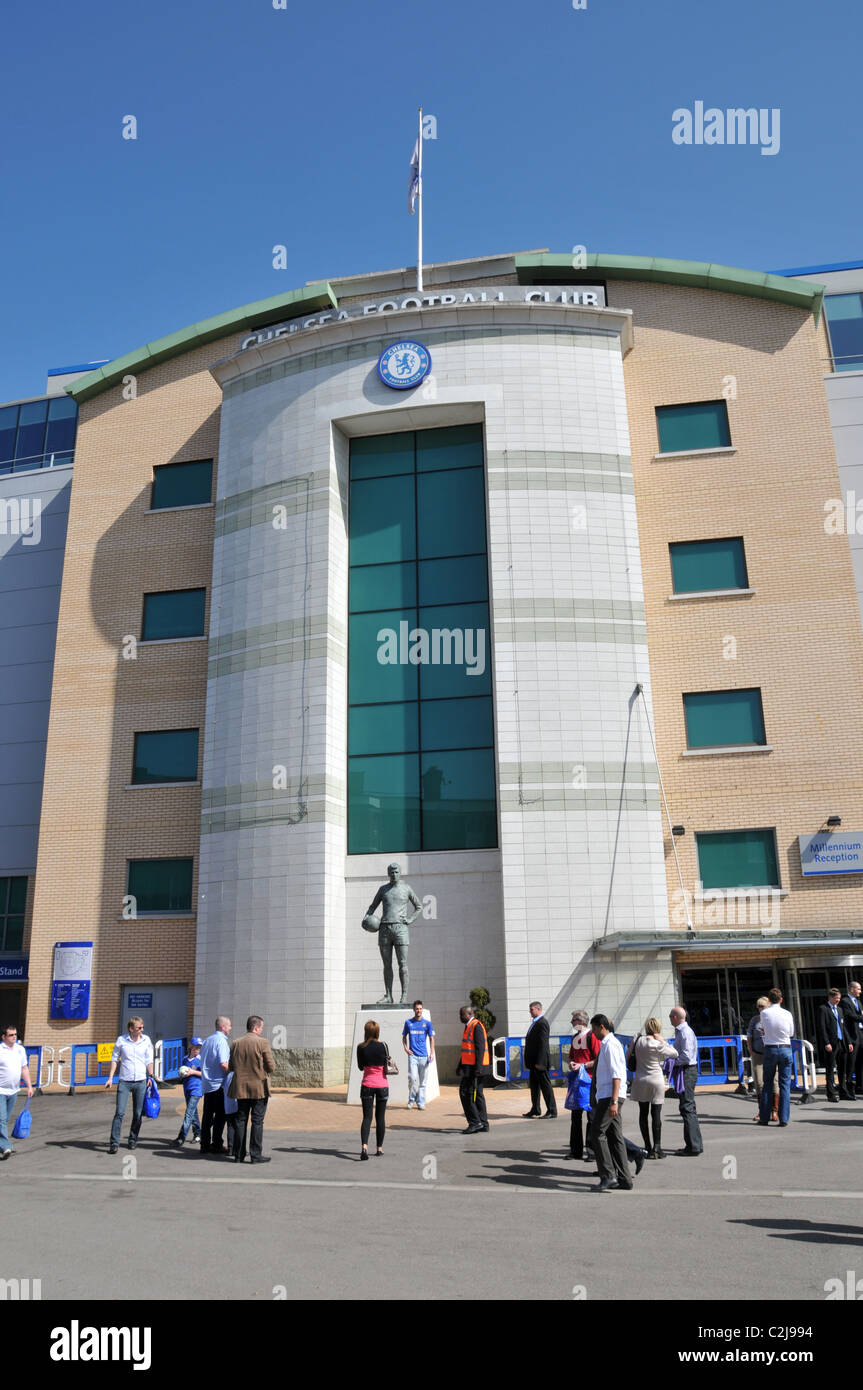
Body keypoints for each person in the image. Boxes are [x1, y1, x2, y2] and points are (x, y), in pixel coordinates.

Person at [365, 863, 422, 1005]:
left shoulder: (406, 889)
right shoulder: (383, 889)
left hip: (400, 928)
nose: (394, 874)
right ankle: (389, 995)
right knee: (387, 964)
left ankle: (404, 995)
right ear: (388, 873)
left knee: (402, 963)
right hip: (384, 928)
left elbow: (419, 906)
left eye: (396, 872)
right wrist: (366, 918)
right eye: (391, 872)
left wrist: (410, 919)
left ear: (400, 873)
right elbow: (373, 906)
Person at [588, 1014, 632, 1192]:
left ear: (601, 1026)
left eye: (594, 1029)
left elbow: (617, 1074)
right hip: (608, 1095)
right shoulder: (608, 1044)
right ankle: (624, 1178)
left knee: (597, 1132)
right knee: (615, 1137)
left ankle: (608, 1175)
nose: (593, 1033)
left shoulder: (609, 1044)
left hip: (610, 1096)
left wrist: (614, 1100)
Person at [228, 1015, 276, 1164]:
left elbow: (231, 1066)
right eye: (261, 1027)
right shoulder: (262, 1042)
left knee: (240, 1120)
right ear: (255, 1027)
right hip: (259, 1088)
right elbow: (271, 1066)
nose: (261, 1030)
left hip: (240, 1088)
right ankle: (255, 1155)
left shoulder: (236, 1043)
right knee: (257, 1121)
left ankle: (238, 1154)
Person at [629, 1017, 678, 1159]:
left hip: (640, 1079)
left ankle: (647, 1146)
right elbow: (674, 1053)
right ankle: (657, 1148)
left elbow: (628, 1055)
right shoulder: (657, 1043)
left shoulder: (637, 1040)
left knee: (643, 1113)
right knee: (656, 1114)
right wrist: (662, 1040)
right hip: (656, 1079)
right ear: (658, 1028)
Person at [104, 1016, 153, 1154]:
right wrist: (110, 1078)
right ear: (131, 1029)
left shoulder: (146, 1040)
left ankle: (133, 1139)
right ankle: (114, 1143)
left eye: (142, 1027)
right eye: (139, 1028)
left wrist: (151, 1076)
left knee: (138, 1114)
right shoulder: (121, 1040)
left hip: (141, 1081)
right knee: (119, 1112)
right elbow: (114, 1059)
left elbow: (149, 1059)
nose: (142, 1030)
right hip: (125, 1081)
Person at [757, 987, 795, 1127]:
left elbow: (763, 1029)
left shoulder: (765, 1013)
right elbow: (791, 1033)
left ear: (769, 999)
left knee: (767, 1083)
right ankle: (783, 1118)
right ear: (781, 999)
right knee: (784, 1084)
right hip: (785, 1047)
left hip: (771, 1048)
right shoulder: (787, 1013)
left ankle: (764, 1117)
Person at [668, 1006, 703, 1155]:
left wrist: (671, 1062)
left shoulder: (684, 1032)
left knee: (687, 1107)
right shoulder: (683, 1032)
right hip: (686, 1070)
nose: (669, 1018)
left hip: (687, 1070)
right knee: (688, 1107)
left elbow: (687, 1056)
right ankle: (694, 1144)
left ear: (676, 1017)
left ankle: (693, 1145)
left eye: (670, 1016)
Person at [566, 1009, 599, 1161]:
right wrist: (572, 1063)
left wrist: (583, 1066)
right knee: (576, 1115)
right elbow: (571, 1056)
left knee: (591, 1116)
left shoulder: (592, 1036)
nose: (572, 1022)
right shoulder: (575, 1037)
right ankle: (576, 1150)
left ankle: (592, 1151)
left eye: (573, 1020)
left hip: (590, 1080)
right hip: (578, 1080)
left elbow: (598, 1059)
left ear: (580, 1021)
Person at [356, 1019, 389, 1158]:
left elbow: (360, 1067)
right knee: (380, 1118)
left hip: (367, 1085)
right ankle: (379, 1148)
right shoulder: (383, 1046)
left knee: (367, 1117)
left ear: (366, 1031)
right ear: (377, 1032)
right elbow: (386, 1064)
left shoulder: (361, 1047)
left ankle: (364, 1147)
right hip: (382, 1085)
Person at [199, 1016, 231, 1156]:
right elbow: (224, 1064)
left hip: (207, 1084)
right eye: (229, 1026)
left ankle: (204, 1145)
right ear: (223, 1027)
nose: (230, 1028)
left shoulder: (207, 1040)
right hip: (218, 1084)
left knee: (207, 1116)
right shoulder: (221, 1042)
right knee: (220, 1116)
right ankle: (217, 1144)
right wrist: (236, 1072)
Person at [0, 1025, 33, 1160]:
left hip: (13, 1090)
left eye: (16, 1035)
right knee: (1, 1120)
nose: (14, 1037)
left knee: (5, 1119)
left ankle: (3, 1143)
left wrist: (29, 1086)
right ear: (3, 1037)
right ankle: (6, 1146)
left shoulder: (20, 1050)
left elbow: (24, 1069)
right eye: (11, 1035)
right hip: (0, 1090)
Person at [457, 1004, 489, 1134]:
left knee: (466, 1093)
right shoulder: (469, 1026)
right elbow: (467, 1049)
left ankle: (475, 1123)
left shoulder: (476, 1026)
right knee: (478, 1094)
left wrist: (479, 1068)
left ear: (469, 1014)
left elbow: (480, 1048)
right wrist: (460, 1065)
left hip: (474, 1068)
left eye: (462, 1014)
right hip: (470, 1067)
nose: (460, 1017)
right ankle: (483, 1123)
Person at [817, 988, 853, 1102]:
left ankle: (843, 1091)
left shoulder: (840, 1010)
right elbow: (822, 1028)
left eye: (839, 998)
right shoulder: (823, 1009)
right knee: (830, 1069)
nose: (838, 1000)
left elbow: (843, 1027)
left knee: (842, 1068)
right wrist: (826, 1042)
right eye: (836, 998)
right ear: (830, 997)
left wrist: (849, 1042)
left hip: (841, 1042)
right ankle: (831, 1093)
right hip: (831, 1043)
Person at [522, 1001, 557, 1119]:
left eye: (531, 1009)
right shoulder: (535, 1023)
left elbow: (543, 1044)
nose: (530, 1011)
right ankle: (535, 1109)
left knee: (546, 1086)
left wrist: (540, 1063)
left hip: (539, 1063)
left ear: (538, 1009)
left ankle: (552, 1110)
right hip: (533, 1063)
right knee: (534, 1087)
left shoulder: (542, 1023)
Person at [746, 997, 778, 1121]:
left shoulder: (772, 1019)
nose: (760, 1009)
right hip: (758, 1054)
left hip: (771, 1053)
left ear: (769, 1007)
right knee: (759, 1083)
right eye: (759, 1006)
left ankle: (774, 1111)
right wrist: (750, 1049)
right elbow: (749, 1035)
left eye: (762, 1006)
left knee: (774, 1081)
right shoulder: (755, 1020)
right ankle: (762, 1110)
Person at [402, 1000, 435, 1110]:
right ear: (414, 1010)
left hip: (424, 1056)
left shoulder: (427, 1024)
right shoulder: (408, 1023)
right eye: (417, 1009)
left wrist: (431, 1053)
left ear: (422, 1009)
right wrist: (406, 1048)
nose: (419, 1010)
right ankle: (411, 1100)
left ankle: (421, 1102)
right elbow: (404, 1037)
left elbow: (431, 1038)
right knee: (413, 1078)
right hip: (413, 1056)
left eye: (420, 1008)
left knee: (423, 1082)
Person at [173, 1036, 203, 1146]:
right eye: (196, 1047)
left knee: (189, 1113)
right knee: (193, 1112)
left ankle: (181, 1137)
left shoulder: (200, 1060)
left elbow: (204, 1075)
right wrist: (181, 1074)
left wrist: (192, 1072)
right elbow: (182, 1072)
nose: (198, 1050)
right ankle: (198, 1135)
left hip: (197, 1089)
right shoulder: (185, 1059)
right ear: (191, 1047)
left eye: (199, 1048)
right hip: (187, 1088)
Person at [839, 981, 863, 1098]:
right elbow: (849, 1016)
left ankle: (860, 1085)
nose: (860, 991)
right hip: (852, 1036)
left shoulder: (858, 1001)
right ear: (852, 989)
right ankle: (847, 1088)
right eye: (858, 989)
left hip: (860, 1035)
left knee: (860, 1062)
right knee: (851, 1063)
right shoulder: (845, 1001)